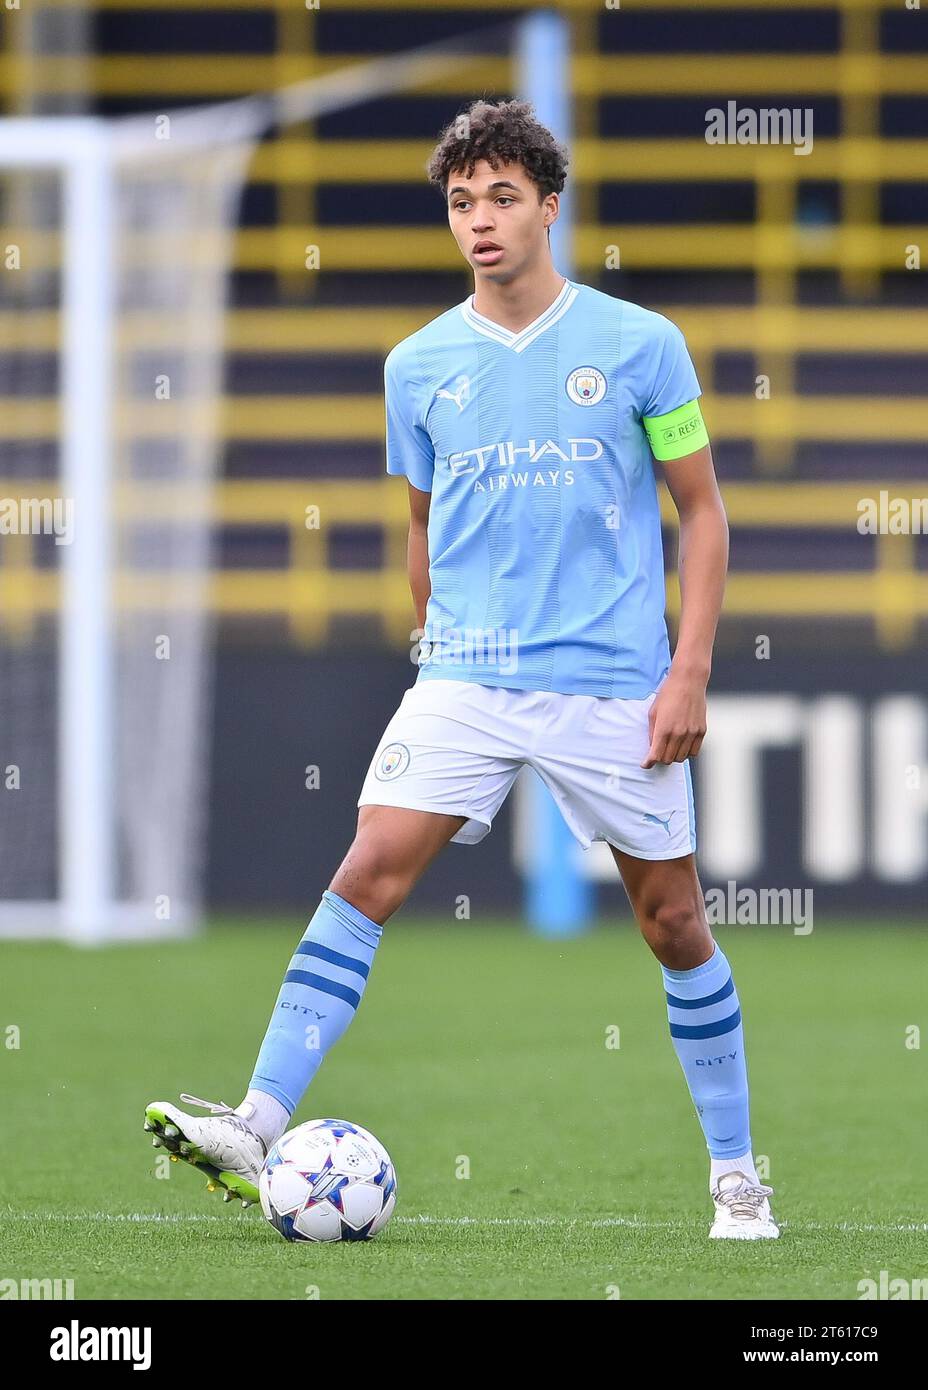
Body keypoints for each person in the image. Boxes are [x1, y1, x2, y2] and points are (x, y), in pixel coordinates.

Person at [145, 98, 777, 1240]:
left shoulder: (640, 345)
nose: (478, 221)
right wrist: (432, 642)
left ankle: (736, 1172)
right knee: (368, 870)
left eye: (499, 198)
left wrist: (687, 673)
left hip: (610, 684)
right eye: (459, 202)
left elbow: (704, 517)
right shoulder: (417, 364)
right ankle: (256, 1113)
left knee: (673, 917)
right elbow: (421, 525)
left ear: (547, 205)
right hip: (466, 680)